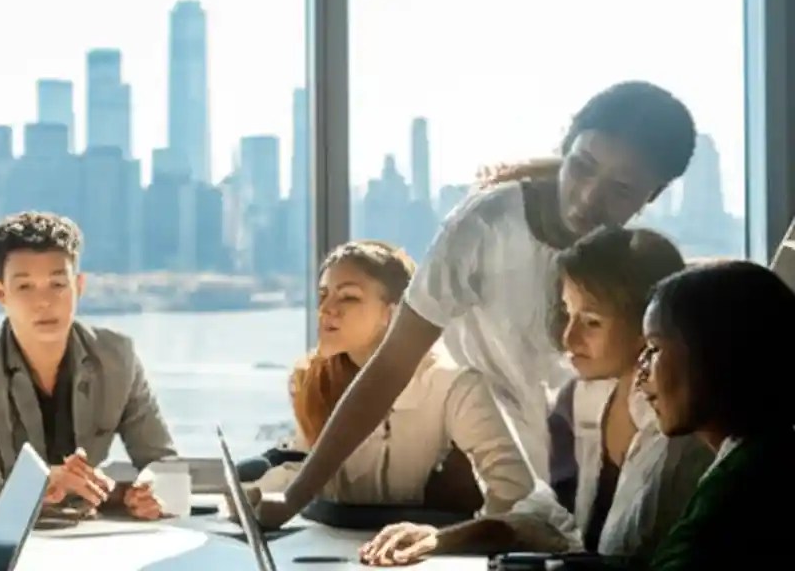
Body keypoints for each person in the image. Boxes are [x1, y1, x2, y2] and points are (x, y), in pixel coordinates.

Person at [251, 81, 698, 529]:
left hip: (584, 501)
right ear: (566, 147)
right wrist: (293, 497)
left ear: (653, 194)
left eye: (621, 189)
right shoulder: (486, 224)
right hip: (487, 496)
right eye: (581, 167)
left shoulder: (633, 261)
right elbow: (391, 365)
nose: (587, 199)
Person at [363, 228, 711, 566]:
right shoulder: (590, 398)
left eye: (592, 322)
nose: (568, 338)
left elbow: (621, 553)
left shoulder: (680, 431)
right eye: (567, 314)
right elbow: (561, 526)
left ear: (648, 323)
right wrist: (442, 538)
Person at [253, 240, 532, 513]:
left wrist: (448, 533)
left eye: (348, 297)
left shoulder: (454, 387)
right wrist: (252, 495)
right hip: (341, 539)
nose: (326, 308)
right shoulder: (316, 382)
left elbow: (515, 497)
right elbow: (306, 469)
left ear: (393, 311)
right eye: (323, 294)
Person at [0, 211, 177, 518]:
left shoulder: (118, 358)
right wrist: (37, 484)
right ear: (0, 293)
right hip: (3, 533)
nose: (44, 302)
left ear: (79, 286)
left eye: (58, 284)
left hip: (92, 531)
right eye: (25, 287)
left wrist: (151, 491)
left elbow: (163, 464)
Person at [640, 261, 795, 569]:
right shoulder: (759, 457)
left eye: (654, 349)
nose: (641, 372)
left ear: (714, 351)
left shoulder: (746, 485)